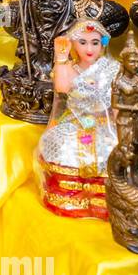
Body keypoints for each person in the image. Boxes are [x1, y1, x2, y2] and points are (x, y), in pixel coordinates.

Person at [36, 16, 121, 220]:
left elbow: (118, 103)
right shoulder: (69, 68)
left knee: (112, 149)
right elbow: (62, 88)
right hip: (74, 122)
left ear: (103, 44)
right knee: (63, 145)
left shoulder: (112, 69)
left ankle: (101, 200)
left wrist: (118, 128)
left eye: (95, 42)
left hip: (104, 124)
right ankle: (72, 198)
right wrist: (61, 58)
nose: (89, 48)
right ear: (73, 43)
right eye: (82, 42)